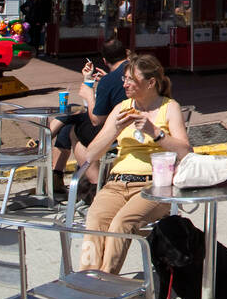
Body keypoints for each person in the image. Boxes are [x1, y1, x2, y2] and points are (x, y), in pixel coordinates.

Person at [80, 54, 191, 274]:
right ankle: (89, 281)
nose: (125, 84)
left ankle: (106, 283)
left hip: (153, 187)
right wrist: (115, 130)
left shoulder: (169, 107)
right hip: (116, 183)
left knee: (121, 223)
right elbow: (90, 155)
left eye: (131, 80)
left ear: (151, 83)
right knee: (95, 221)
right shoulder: (122, 108)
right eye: (124, 79)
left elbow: (186, 151)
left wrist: (154, 132)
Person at [46, 37, 130, 201]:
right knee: (72, 119)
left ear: (104, 60)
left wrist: (89, 95)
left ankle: (97, 186)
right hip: (132, 127)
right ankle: (56, 173)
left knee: (75, 129)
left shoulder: (111, 80)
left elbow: (96, 119)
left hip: (118, 133)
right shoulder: (131, 72)